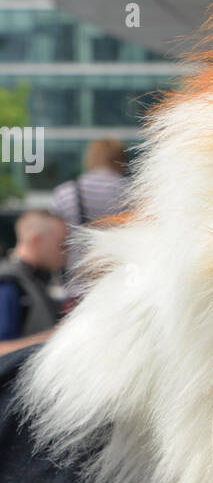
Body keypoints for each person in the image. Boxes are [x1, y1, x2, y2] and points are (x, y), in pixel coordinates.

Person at [51, 138, 127, 296]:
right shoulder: (131, 192)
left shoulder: (65, 193)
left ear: (89, 158)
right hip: (121, 288)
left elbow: (55, 243)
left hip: (77, 288)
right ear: (121, 159)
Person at [0, 210, 67, 356]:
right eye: (61, 244)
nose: (66, 252)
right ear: (36, 240)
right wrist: (56, 337)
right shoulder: (8, 283)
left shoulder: (30, 277)